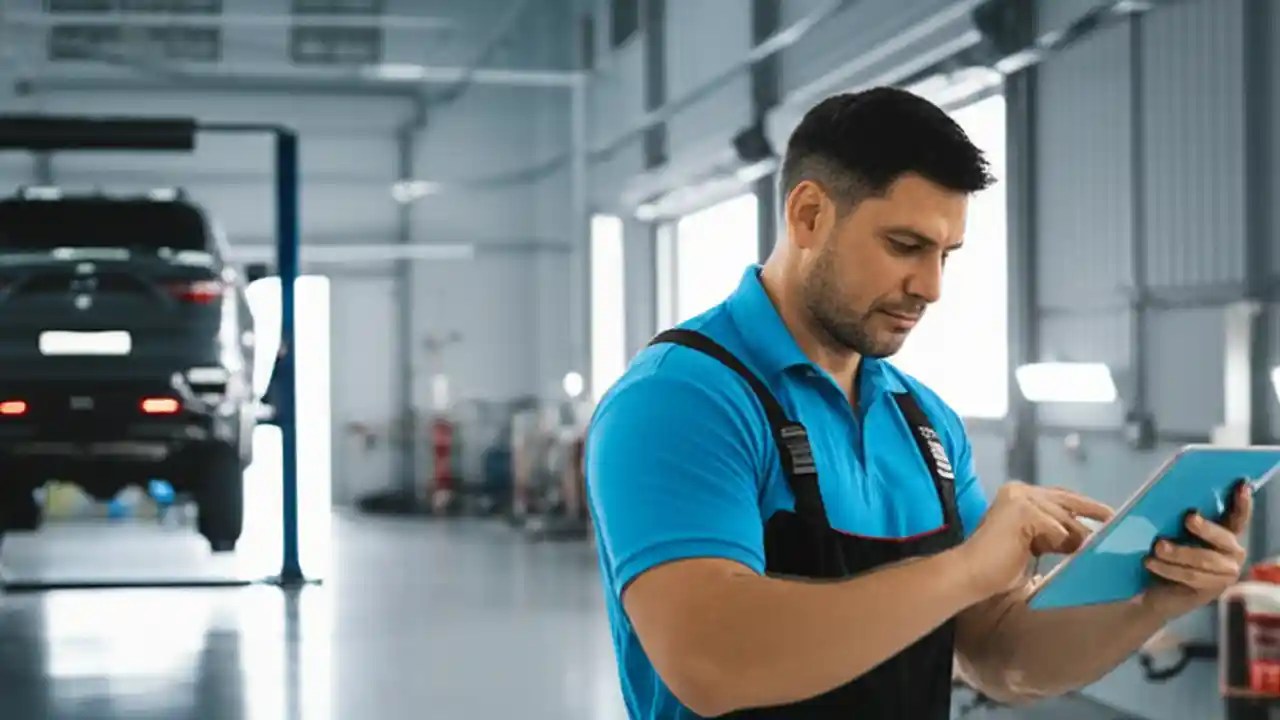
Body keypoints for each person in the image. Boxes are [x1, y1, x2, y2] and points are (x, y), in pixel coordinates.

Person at [584, 86, 1252, 720]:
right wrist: (964, 568)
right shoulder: (682, 400)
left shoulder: (924, 421)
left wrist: (1149, 602)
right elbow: (710, 662)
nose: (930, 287)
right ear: (808, 215)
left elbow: (998, 656)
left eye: (946, 254)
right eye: (904, 246)